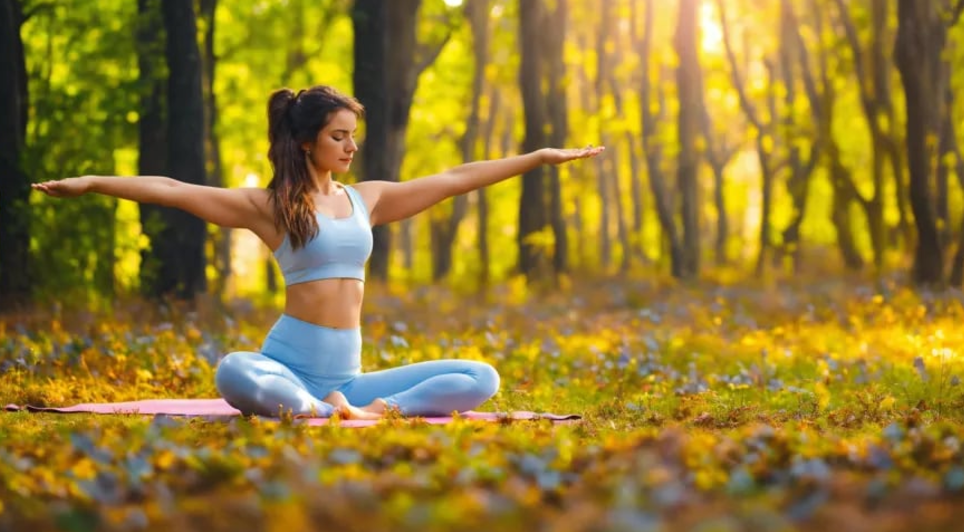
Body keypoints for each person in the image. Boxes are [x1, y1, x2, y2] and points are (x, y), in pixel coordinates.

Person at [33, 85, 603, 419]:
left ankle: (369, 412)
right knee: (234, 372)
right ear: (306, 140)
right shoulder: (270, 206)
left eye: (353, 135)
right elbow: (176, 192)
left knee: (481, 377)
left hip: (349, 378)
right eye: (338, 136)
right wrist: (93, 182)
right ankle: (326, 413)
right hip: (286, 367)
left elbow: (456, 177)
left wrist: (538, 157)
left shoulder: (368, 200)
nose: (351, 145)